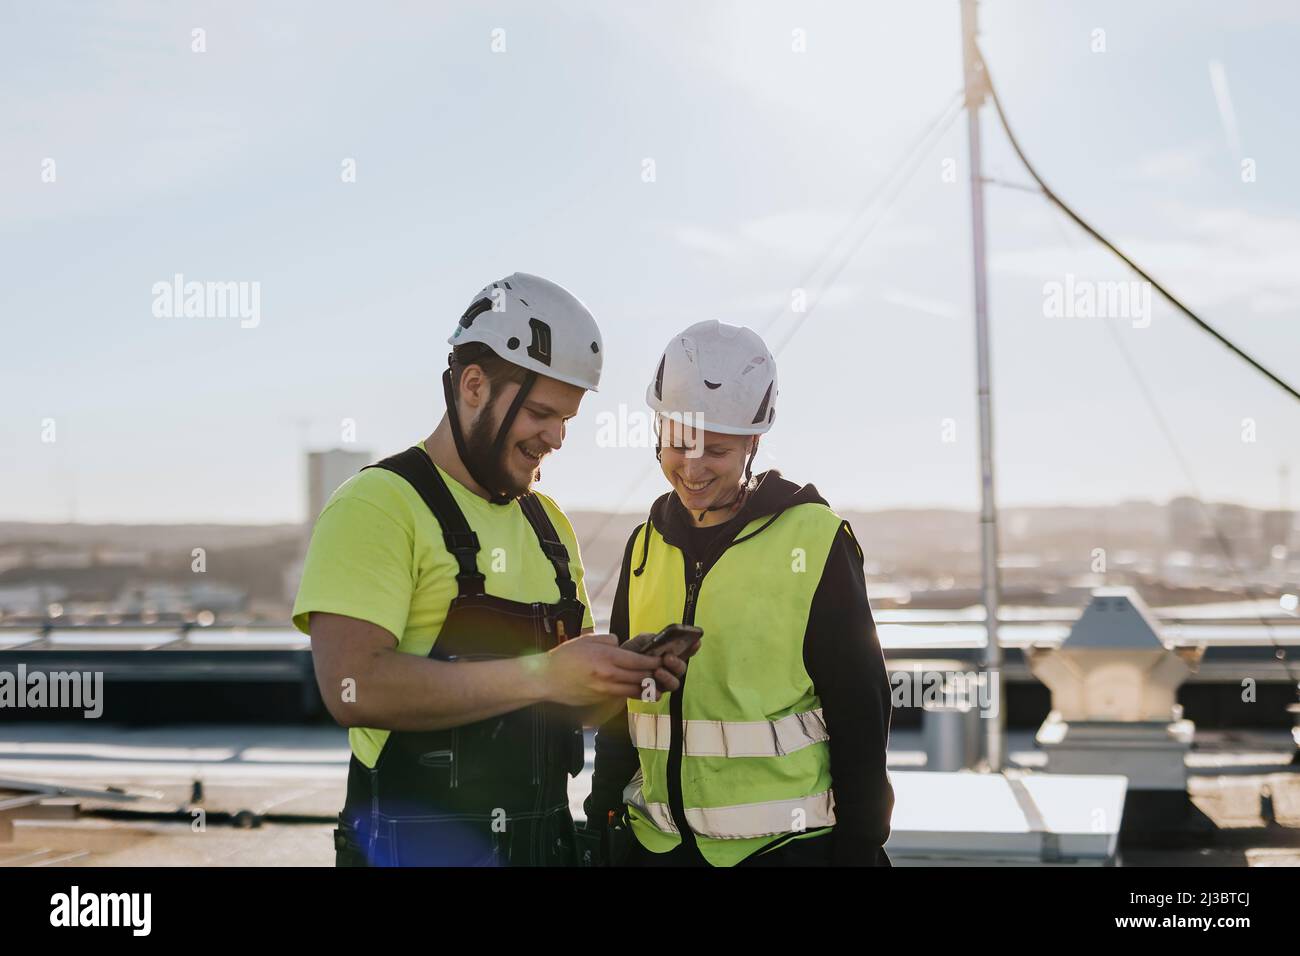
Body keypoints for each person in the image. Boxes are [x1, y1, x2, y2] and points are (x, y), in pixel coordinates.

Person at [292, 273, 690, 866]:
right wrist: (545, 676)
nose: (555, 438)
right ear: (474, 385)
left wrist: (617, 678)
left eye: (567, 420)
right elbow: (353, 687)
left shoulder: (549, 524)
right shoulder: (377, 506)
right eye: (540, 412)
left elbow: (565, 696)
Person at [584, 320, 894, 866]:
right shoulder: (644, 547)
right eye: (678, 444)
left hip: (784, 852)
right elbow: (621, 705)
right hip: (657, 849)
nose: (693, 467)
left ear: (753, 443)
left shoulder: (816, 541)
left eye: (717, 452)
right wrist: (603, 812)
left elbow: (860, 713)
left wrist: (862, 846)